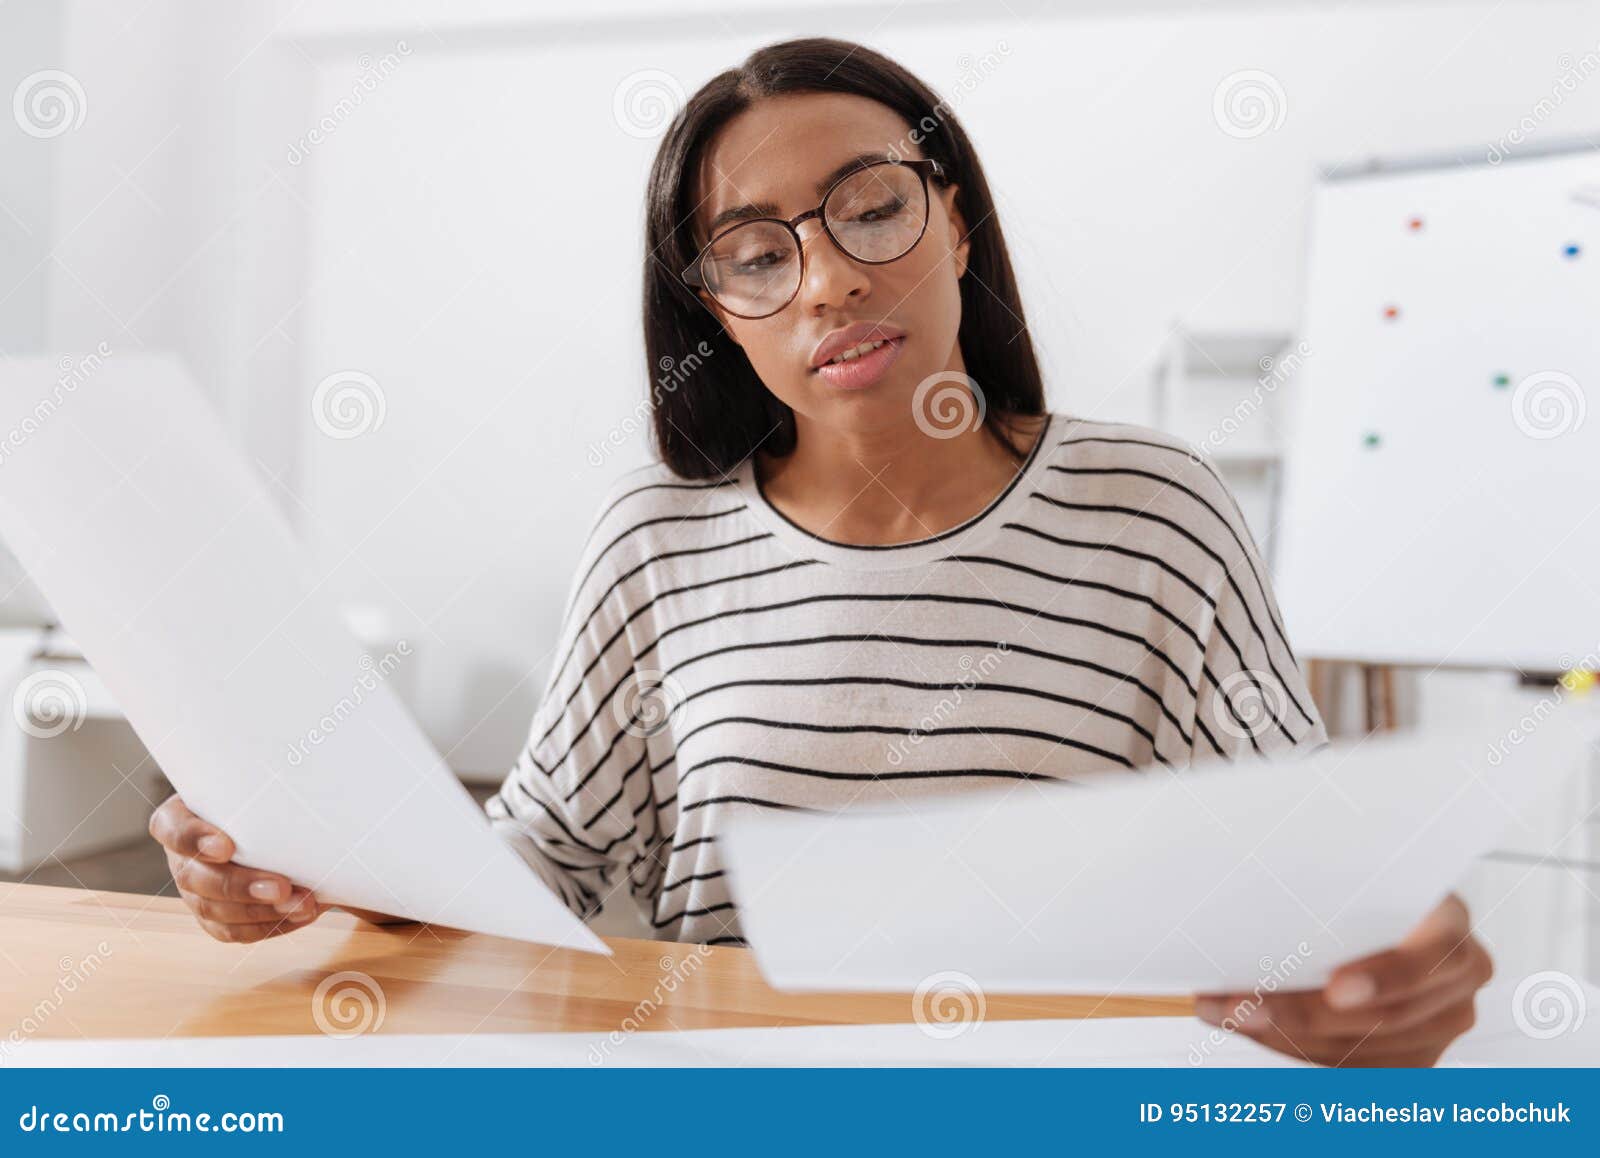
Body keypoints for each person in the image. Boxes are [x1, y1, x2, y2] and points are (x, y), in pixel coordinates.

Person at [149, 36, 1491, 1066]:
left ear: (954, 219)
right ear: (716, 312)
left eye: (869, 208)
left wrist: (1376, 967)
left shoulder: (1153, 507)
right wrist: (309, 871)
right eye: (754, 254)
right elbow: (542, 858)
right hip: (738, 1093)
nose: (830, 281)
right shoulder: (657, 538)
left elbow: (1297, 853)